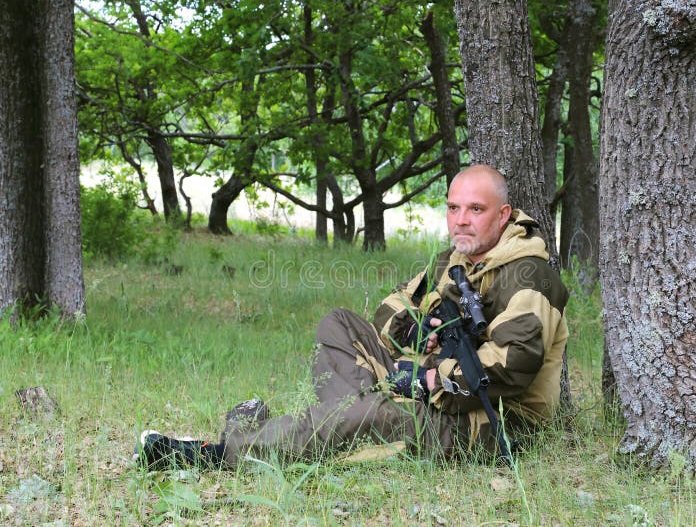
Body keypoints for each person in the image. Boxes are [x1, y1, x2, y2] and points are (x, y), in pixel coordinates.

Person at [134, 164, 569, 470]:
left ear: (504, 215)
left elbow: (511, 369)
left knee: (370, 418)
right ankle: (353, 420)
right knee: (339, 323)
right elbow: (390, 308)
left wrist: (429, 380)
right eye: (454, 208)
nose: (461, 220)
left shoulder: (529, 276)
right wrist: (425, 333)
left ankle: (215, 451)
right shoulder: (453, 260)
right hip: (442, 393)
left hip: (496, 423)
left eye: (476, 210)